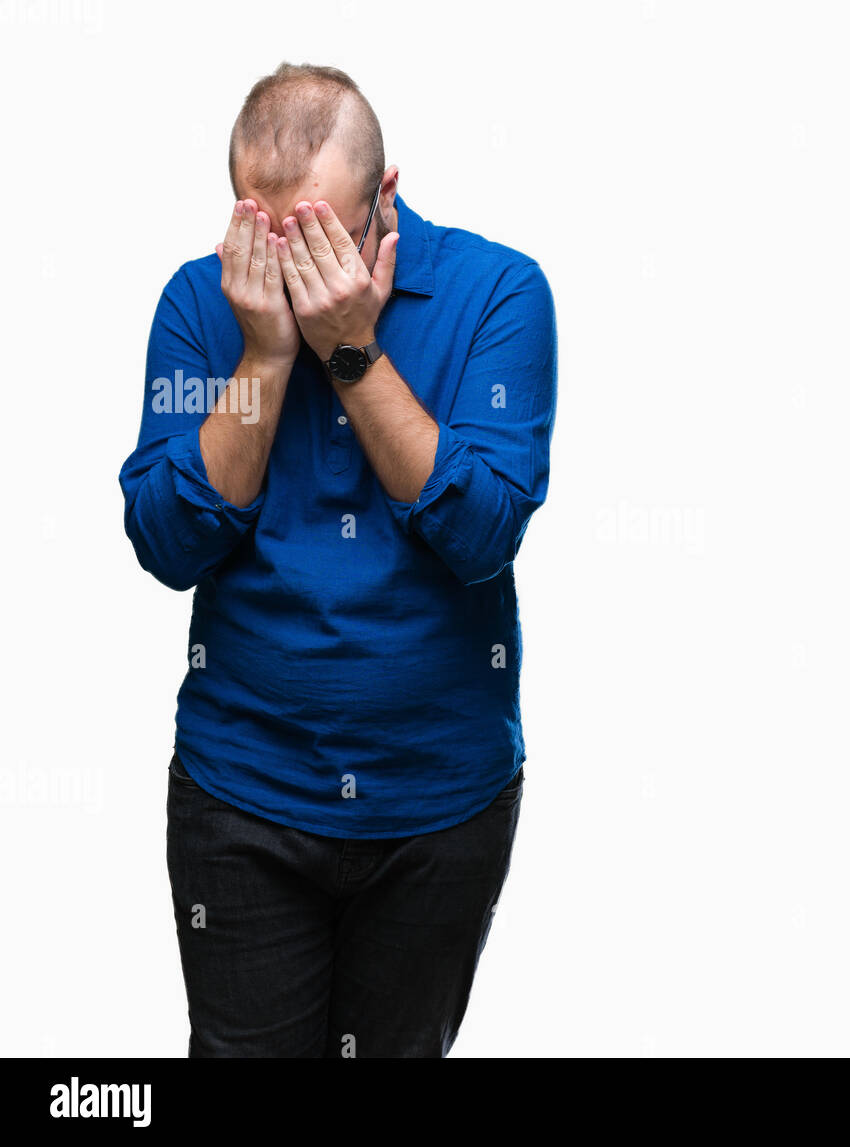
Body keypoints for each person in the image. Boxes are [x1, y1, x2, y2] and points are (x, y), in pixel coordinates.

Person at [118, 63, 558, 1058]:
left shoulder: (498, 294)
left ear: (387, 198)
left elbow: (479, 534)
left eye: (323, 242)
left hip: (439, 803)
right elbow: (168, 540)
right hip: (243, 793)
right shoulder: (203, 305)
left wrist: (351, 351)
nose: (295, 277)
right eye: (271, 246)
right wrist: (266, 359)